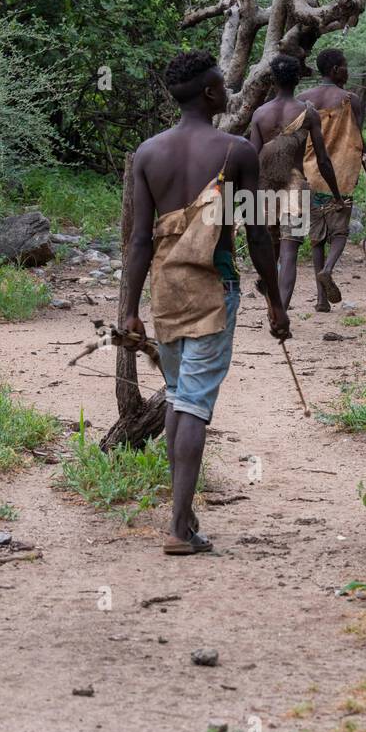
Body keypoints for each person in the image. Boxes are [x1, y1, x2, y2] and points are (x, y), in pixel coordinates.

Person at [122, 50, 289, 556]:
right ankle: (178, 528)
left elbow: (138, 242)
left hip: (165, 290)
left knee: (177, 396)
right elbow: (259, 233)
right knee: (193, 404)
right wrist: (276, 301)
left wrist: (129, 309)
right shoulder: (236, 152)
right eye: (222, 85)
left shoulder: (147, 154)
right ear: (211, 93)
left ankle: (184, 514)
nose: (227, 92)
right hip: (214, 288)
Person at [249, 54, 342, 309]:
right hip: (294, 187)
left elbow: (251, 157)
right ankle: (279, 311)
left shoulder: (260, 114)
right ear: (298, 78)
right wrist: (336, 193)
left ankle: (270, 295)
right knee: (289, 251)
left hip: (264, 188)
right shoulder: (308, 113)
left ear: (273, 80)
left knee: (270, 247)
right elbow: (322, 160)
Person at [297, 48, 366, 311]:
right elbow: (359, 141)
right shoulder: (350, 100)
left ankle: (321, 300)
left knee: (316, 236)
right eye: (345, 66)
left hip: (309, 173)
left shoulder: (302, 99)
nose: (348, 70)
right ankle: (329, 269)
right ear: (334, 70)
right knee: (339, 232)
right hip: (341, 175)